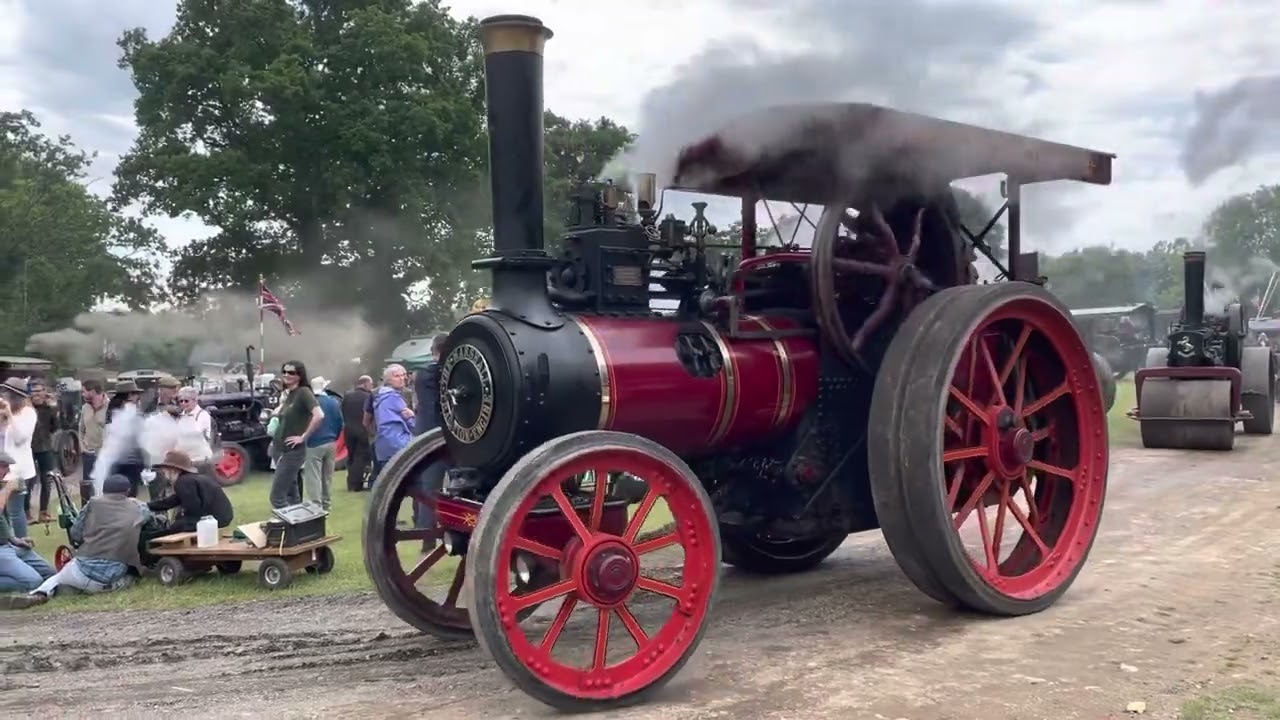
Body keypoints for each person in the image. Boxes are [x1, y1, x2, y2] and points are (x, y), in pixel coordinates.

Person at [9, 473, 160, 609]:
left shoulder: (92, 504)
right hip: (114, 576)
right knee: (133, 577)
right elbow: (152, 526)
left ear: (104, 490)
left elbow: (75, 534)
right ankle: (85, 589)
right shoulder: (140, 508)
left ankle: (39, 594)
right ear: (127, 491)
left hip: (80, 570)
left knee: (57, 578)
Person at [268, 361, 324, 509]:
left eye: (291, 372)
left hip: (293, 452)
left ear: (299, 375)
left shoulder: (304, 392)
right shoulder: (290, 394)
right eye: (284, 371)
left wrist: (303, 436)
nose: (286, 375)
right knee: (292, 495)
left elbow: (319, 415)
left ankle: (289, 527)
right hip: (280, 449)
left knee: (277, 497)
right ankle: (299, 525)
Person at [0, 452, 55, 597]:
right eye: (3, 466)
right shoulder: (3, 489)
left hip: (7, 545)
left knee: (50, 575)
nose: (7, 472)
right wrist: (7, 491)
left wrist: (13, 538)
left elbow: (3, 520)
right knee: (34, 582)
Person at [148, 450, 234, 534]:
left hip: (214, 519)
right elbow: (173, 500)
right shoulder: (192, 479)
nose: (164, 473)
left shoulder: (183, 482)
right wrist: (148, 506)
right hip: (222, 517)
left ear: (172, 470)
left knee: (178, 525)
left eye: (165, 470)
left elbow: (194, 510)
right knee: (179, 522)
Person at [1, 377, 37, 539]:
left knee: (15, 511)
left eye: (8, 396)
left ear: (18, 398)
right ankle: (9, 541)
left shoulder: (28, 414)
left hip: (19, 469)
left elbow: (19, 438)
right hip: (4, 468)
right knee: (4, 511)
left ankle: (23, 544)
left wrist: (9, 416)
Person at [302, 377, 343, 511]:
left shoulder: (310, 404)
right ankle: (326, 503)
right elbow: (339, 422)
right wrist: (334, 438)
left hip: (314, 443)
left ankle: (316, 505)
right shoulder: (333, 402)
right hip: (331, 442)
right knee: (327, 476)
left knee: (313, 476)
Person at [372, 364, 414, 491]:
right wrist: (413, 416)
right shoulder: (393, 397)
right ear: (388, 379)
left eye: (403, 375)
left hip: (384, 445)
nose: (401, 378)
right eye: (397, 376)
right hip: (398, 443)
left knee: (388, 488)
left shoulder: (380, 396)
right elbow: (411, 421)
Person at [101, 381, 146, 498]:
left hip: (113, 460)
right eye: (135, 393)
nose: (138, 396)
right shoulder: (131, 411)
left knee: (114, 495)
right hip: (131, 461)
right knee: (129, 495)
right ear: (130, 395)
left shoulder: (112, 410)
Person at [28, 379, 59, 525]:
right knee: (29, 481)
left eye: (40, 391)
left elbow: (56, 427)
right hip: (28, 448)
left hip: (45, 447)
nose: (38, 394)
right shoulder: (26, 408)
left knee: (47, 480)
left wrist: (54, 408)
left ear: (44, 392)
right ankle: (27, 512)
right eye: (34, 391)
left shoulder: (49, 408)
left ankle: (44, 512)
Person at [341, 376, 373, 491]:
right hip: (362, 430)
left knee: (352, 456)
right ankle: (355, 484)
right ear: (365, 384)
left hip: (348, 430)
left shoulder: (347, 396)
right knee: (361, 457)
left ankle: (350, 481)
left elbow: (342, 411)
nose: (371, 387)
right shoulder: (368, 397)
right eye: (371, 384)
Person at [78, 379, 109, 501]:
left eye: (84, 391)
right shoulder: (85, 408)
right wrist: (82, 446)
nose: (82, 394)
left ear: (92, 391)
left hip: (104, 454)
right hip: (88, 453)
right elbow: (80, 429)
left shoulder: (110, 407)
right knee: (87, 486)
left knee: (104, 485)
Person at [413, 335, 447, 436]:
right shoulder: (431, 372)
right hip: (438, 432)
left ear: (432, 350)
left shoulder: (422, 372)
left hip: (425, 431)